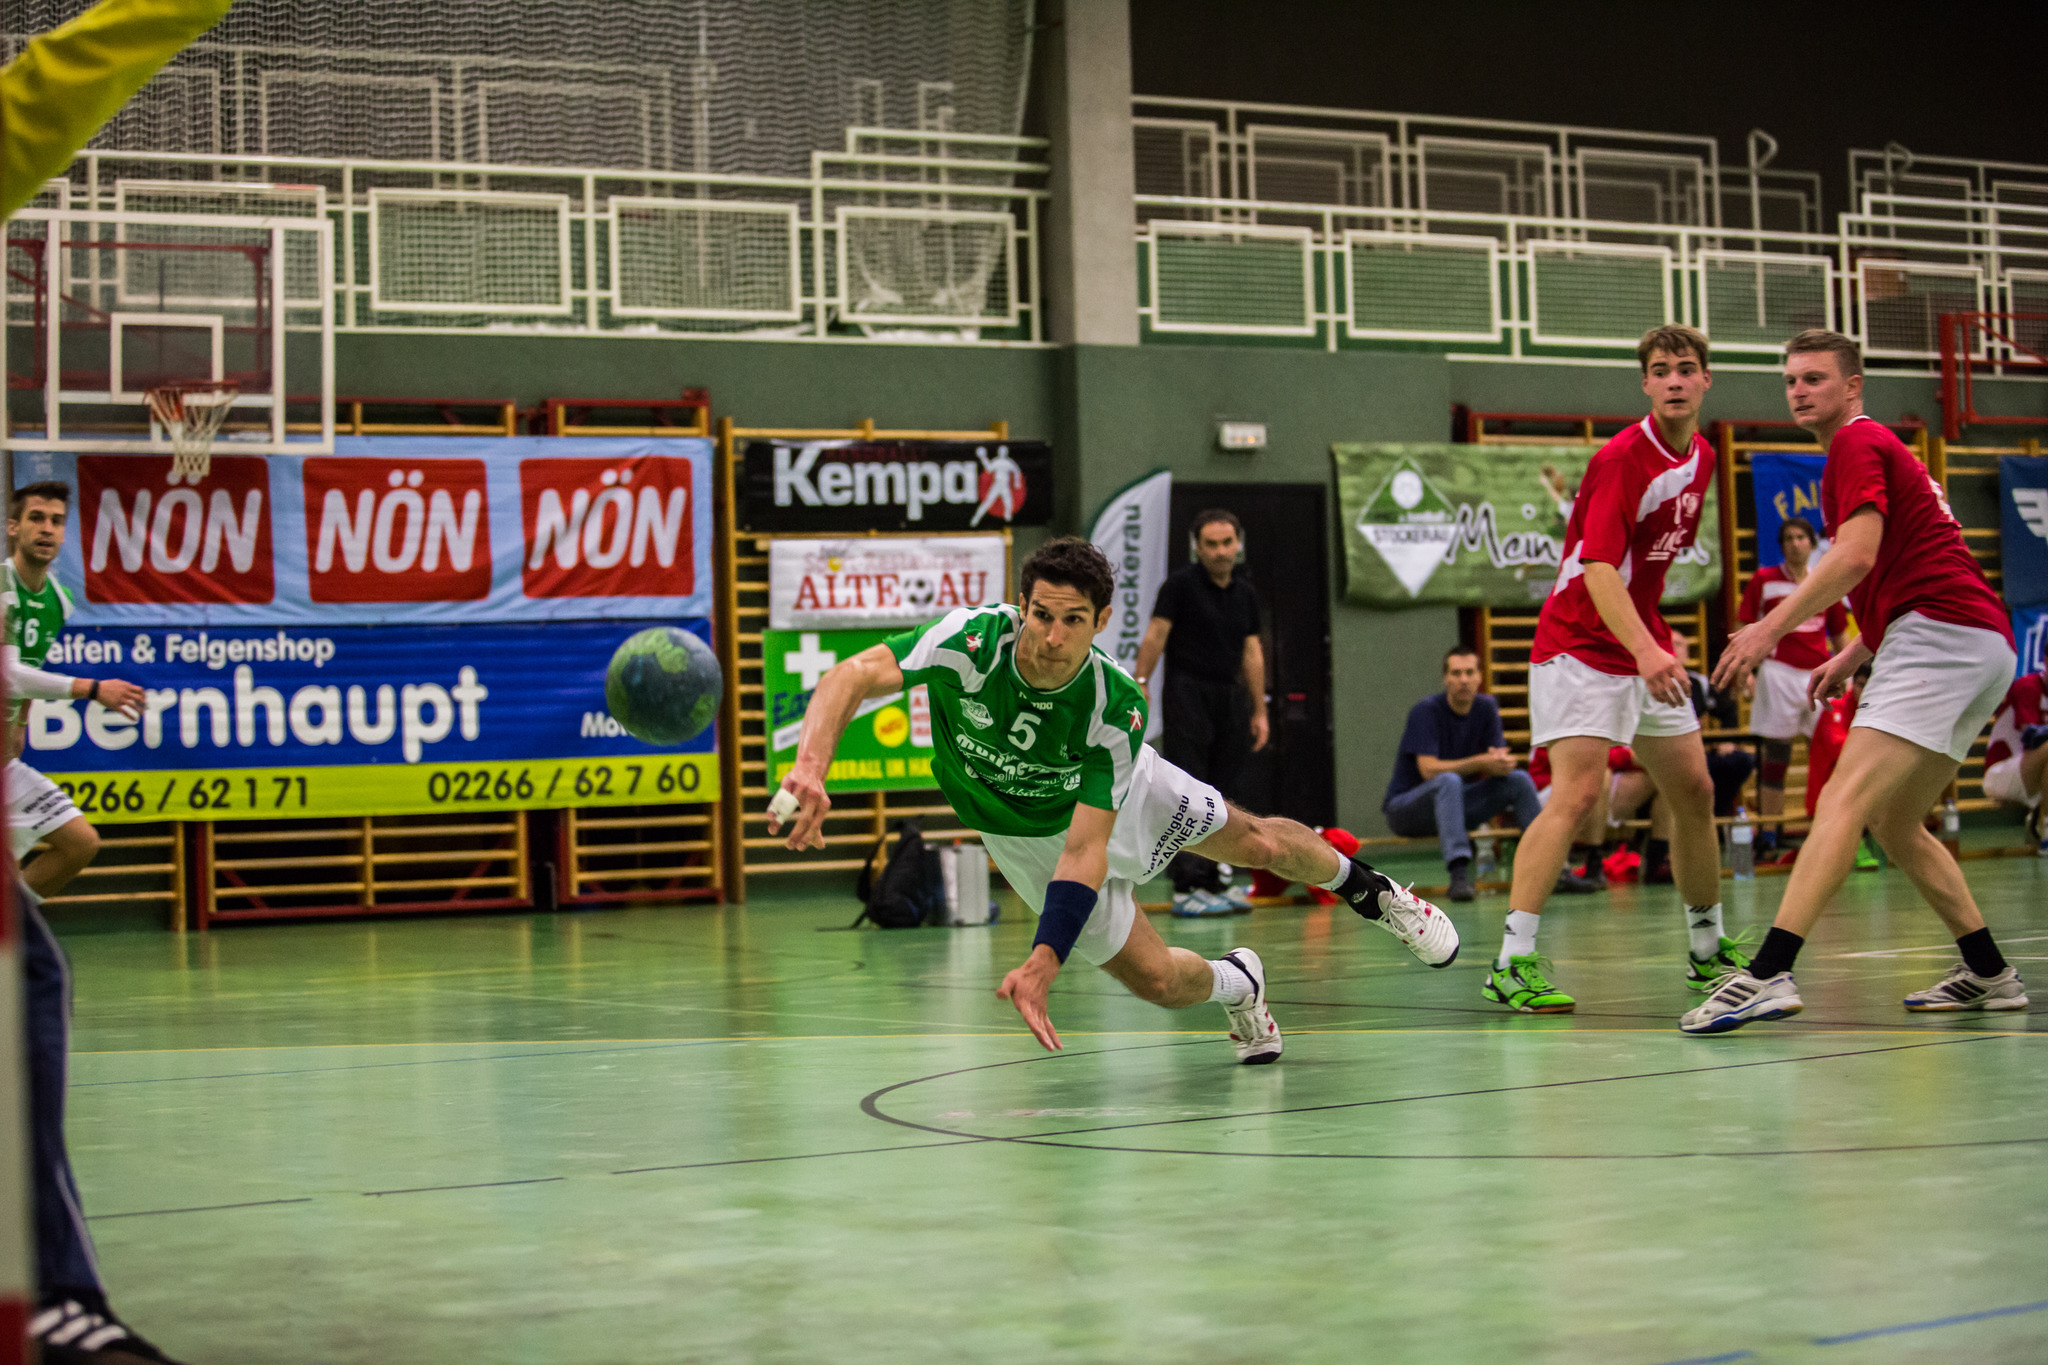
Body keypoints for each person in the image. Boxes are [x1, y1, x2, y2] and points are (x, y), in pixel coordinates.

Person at [769, 537, 1458, 1063]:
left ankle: (1374, 891)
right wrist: (810, 768)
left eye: (1073, 620)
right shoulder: (971, 642)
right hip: (1023, 839)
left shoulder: (1113, 703)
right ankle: (1241, 984)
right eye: (1040, 615)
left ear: (1100, 621)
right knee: (1157, 982)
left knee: (1260, 843)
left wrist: (1045, 956)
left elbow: (1088, 845)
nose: (1051, 636)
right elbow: (852, 675)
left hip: (1115, 802)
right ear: (1021, 608)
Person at [6, 2, 233, 1358]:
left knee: (42, 933)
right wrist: (81, 700)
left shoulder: (58, 581)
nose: (42, 529)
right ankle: (50, 1300)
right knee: (23, 981)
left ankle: (51, 1297)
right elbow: (45, 88)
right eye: (30, 518)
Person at [1697, 330, 2025, 1033]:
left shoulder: (1855, 442)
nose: (1798, 390)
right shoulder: (1871, 452)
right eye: (1790, 380)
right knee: (1893, 819)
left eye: (1814, 378)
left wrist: (1768, 629)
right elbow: (1910, 560)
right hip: (1977, 640)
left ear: (1853, 387)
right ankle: (1990, 970)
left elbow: (1856, 555)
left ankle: (1769, 971)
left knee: (1842, 798)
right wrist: (1855, 653)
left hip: (1938, 637)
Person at [1486, 324, 1745, 1015]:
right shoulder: (1625, 457)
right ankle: (1513, 961)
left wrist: (1658, 644)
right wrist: (1645, 650)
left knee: (1693, 788)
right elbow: (1599, 567)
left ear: (1705, 380)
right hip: (1579, 644)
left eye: (1686, 368)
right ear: (1645, 384)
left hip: (1640, 644)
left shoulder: (1704, 460)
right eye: (1660, 370)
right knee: (1576, 796)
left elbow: (1645, 571)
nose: (1674, 380)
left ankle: (1706, 947)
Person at [5, 484, 147, 897]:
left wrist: (23, 718)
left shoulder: (59, 600)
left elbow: (31, 661)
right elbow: (8, 674)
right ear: (13, 527)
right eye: (35, 518)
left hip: (5, 766)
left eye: (56, 521)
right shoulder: (1, 588)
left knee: (79, 842)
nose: (46, 529)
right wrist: (94, 688)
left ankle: (16, 922)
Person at [1132, 510, 1268, 909]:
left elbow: (1252, 652)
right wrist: (1140, 683)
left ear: (1238, 543)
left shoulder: (1245, 593)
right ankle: (1188, 886)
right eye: (1211, 544)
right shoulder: (1179, 587)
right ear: (1197, 547)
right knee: (1190, 791)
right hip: (1187, 693)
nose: (1220, 551)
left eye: (1227, 542)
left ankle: (1220, 879)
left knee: (1227, 790)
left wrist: (1259, 710)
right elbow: (1156, 634)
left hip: (1230, 698)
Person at [1382, 647, 1542, 903]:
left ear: (1480, 676)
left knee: (1519, 780)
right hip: (1407, 811)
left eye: (1469, 672)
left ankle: (1552, 868)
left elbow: (1496, 756)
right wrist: (1481, 762)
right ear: (1445, 678)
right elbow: (1428, 770)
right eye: (1456, 673)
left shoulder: (1487, 707)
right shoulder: (1425, 712)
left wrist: (1502, 763)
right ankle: (1459, 874)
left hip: (1455, 807)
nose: (1463, 680)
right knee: (1448, 781)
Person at [1736, 518, 1849, 852]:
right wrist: (1747, 670)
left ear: (1812, 544)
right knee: (1776, 759)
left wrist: (1851, 674)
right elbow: (1744, 627)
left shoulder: (1826, 582)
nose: (1795, 543)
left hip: (1817, 676)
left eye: (1801, 537)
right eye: (1788, 538)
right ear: (1781, 545)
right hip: (1778, 674)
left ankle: (1834, 834)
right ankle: (1769, 836)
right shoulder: (1764, 581)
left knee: (1832, 755)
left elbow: (1841, 634)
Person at [1980, 661, 2046, 853]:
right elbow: (2032, 737)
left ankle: (2043, 828)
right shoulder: (2027, 686)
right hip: (2000, 773)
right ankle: (2043, 826)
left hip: (2031, 773)